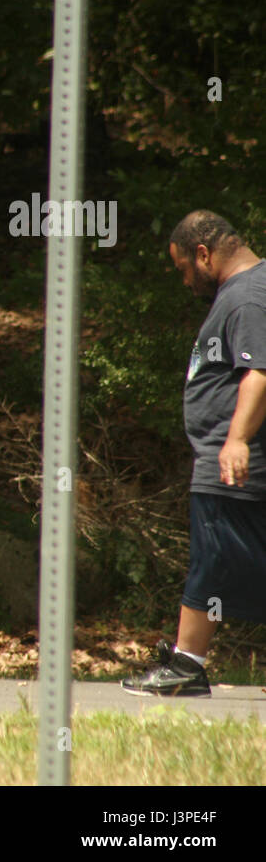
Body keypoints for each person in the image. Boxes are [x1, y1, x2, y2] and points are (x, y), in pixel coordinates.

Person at [123, 210, 266, 696]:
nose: (185, 281)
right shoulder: (242, 294)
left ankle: (186, 666)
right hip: (228, 460)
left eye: (184, 268)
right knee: (230, 560)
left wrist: (236, 439)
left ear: (203, 254)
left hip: (233, 464)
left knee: (214, 558)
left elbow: (259, 373)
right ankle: (186, 663)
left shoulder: (247, 296)